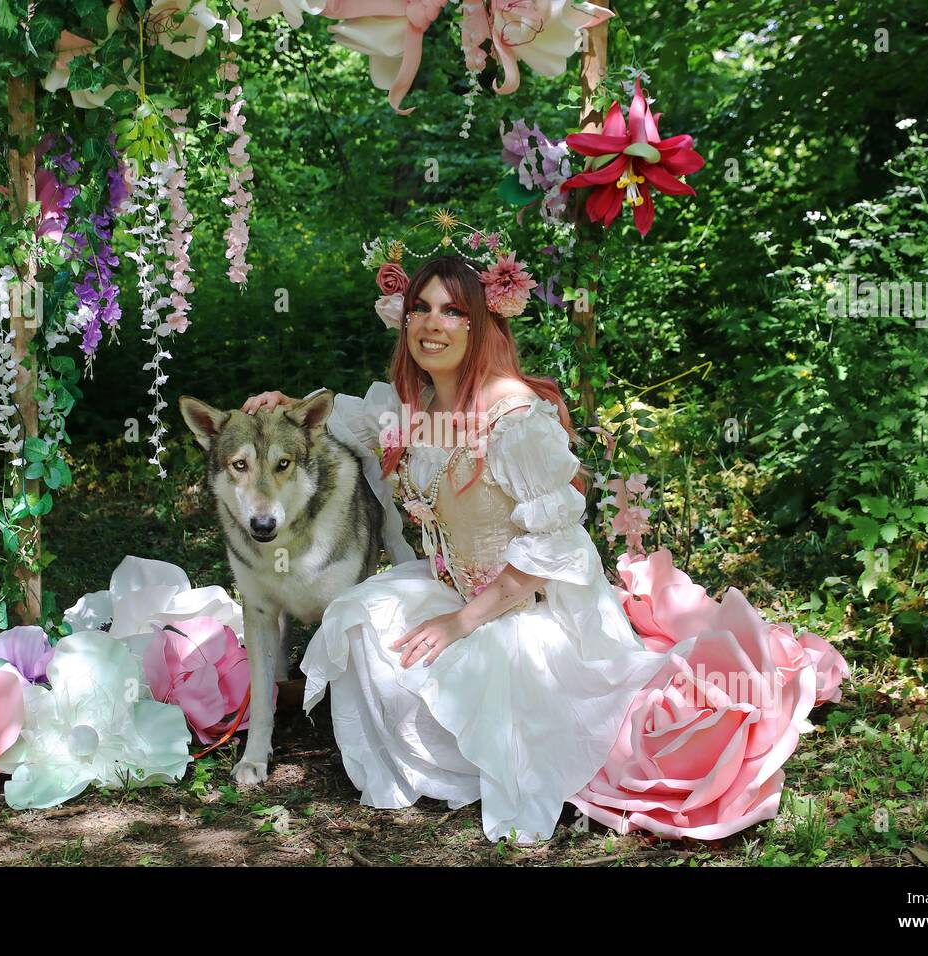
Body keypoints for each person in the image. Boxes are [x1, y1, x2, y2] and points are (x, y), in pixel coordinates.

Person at [241, 254, 805, 844]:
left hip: (534, 606)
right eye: (420, 309)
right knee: (359, 623)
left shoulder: (512, 414)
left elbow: (553, 545)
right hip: (457, 590)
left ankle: (532, 741)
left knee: (540, 707)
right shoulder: (415, 407)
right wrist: (286, 405)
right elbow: (342, 420)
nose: (433, 324)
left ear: (481, 322)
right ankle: (448, 754)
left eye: (453, 311)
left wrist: (463, 621)